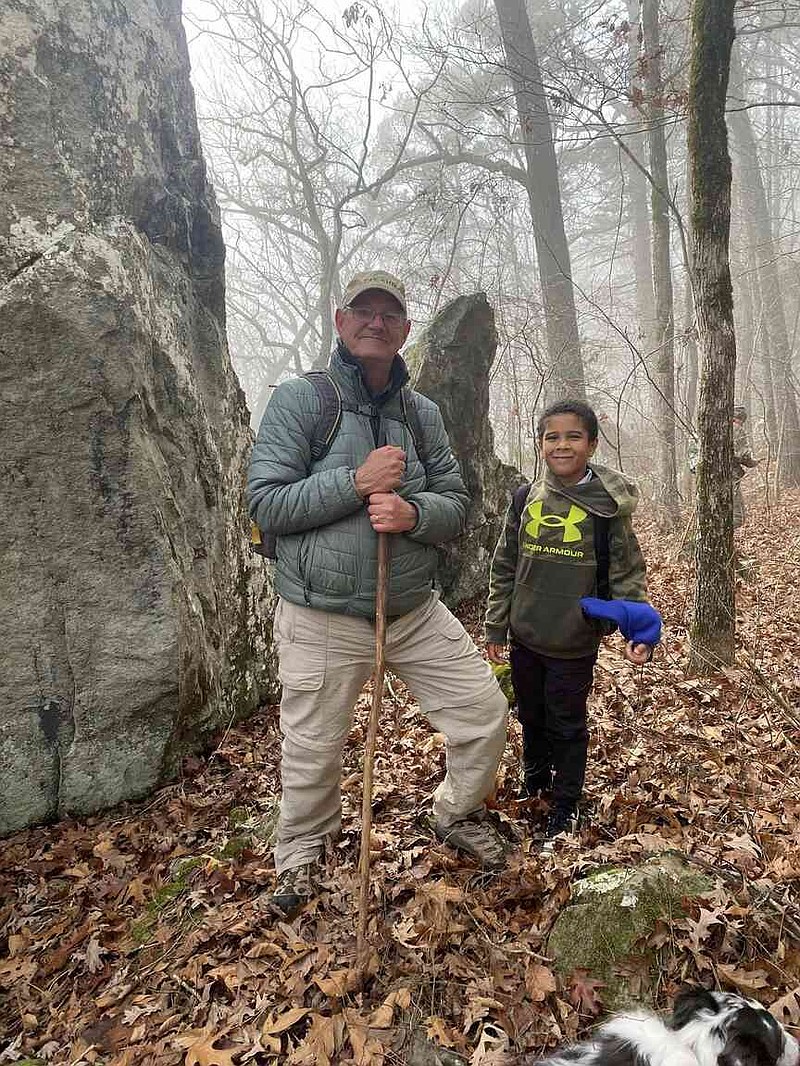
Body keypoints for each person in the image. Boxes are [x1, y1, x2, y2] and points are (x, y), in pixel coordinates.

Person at [248, 271, 511, 914]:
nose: (376, 322)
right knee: (312, 751)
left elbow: (458, 504)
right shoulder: (302, 401)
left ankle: (453, 813)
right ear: (341, 323)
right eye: (363, 311)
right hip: (322, 614)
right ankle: (302, 856)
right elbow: (263, 505)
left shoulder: (421, 416)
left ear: (405, 332)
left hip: (413, 610)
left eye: (389, 315)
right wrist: (355, 483)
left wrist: (413, 516)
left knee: (484, 714)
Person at [485, 399, 654, 842]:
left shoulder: (609, 508)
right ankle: (535, 781)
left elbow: (626, 571)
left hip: (573, 640)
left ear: (592, 444)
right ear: (540, 445)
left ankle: (565, 803)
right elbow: (505, 565)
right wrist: (496, 626)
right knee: (532, 716)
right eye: (551, 437)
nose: (562, 445)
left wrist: (638, 629)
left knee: (567, 722)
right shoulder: (524, 498)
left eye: (573, 436)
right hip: (525, 635)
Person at [732, 406, 759, 529]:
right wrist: (753, 462)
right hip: (730, 477)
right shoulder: (737, 430)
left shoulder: (716, 427)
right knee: (738, 517)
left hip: (710, 477)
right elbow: (743, 455)